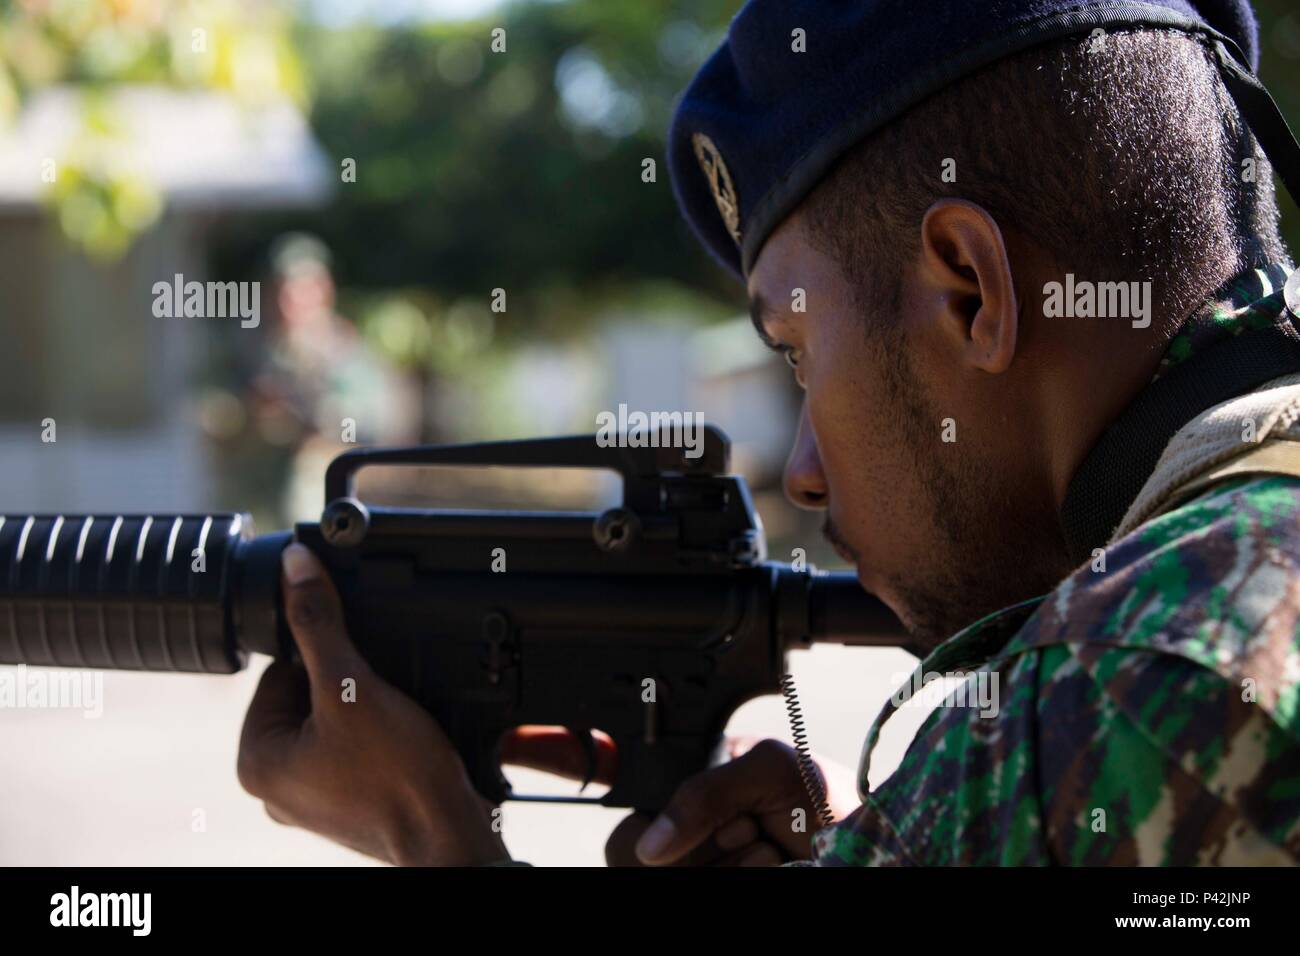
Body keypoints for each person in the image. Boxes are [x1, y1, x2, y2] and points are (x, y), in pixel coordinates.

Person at [235, 0, 1300, 865]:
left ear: (970, 292)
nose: (799, 473)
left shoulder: (1141, 686)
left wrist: (433, 836)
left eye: (796, 353)